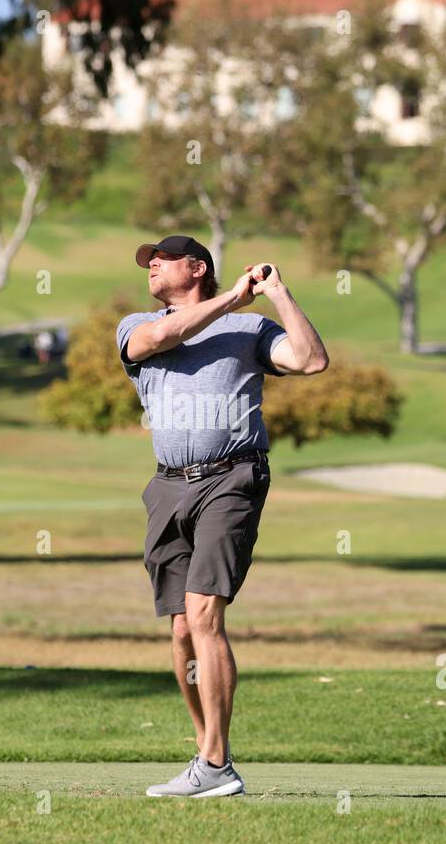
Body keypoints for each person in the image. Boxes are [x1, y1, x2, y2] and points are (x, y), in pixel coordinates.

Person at [116, 234, 328, 797]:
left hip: (232, 478)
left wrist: (278, 295)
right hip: (167, 487)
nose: (151, 265)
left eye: (161, 258)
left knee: (205, 611)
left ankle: (213, 765)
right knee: (182, 628)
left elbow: (311, 360)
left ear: (197, 267)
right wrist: (233, 299)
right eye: (148, 262)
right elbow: (160, 336)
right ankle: (209, 756)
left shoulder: (249, 330)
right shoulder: (137, 323)